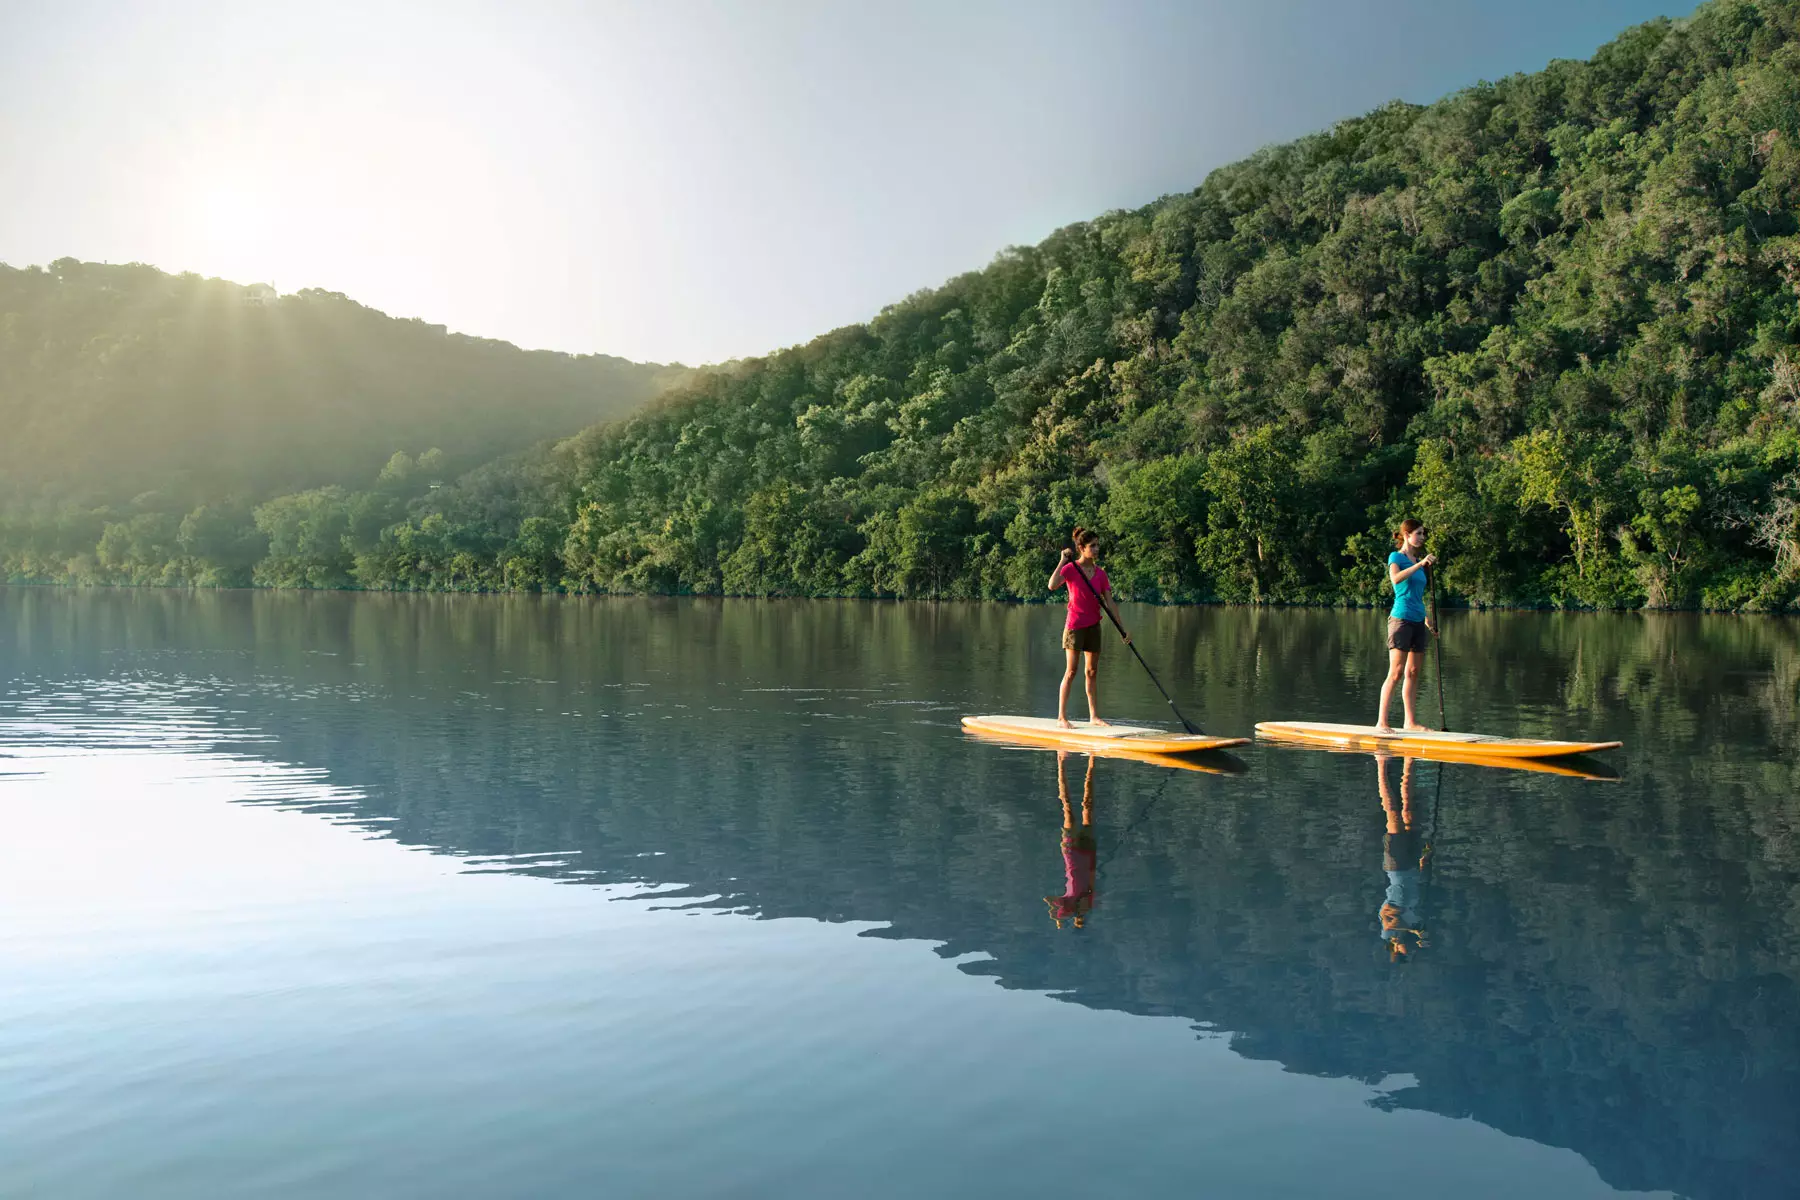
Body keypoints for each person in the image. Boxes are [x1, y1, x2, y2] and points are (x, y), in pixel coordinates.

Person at [1048, 526, 1130, 729]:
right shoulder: (1071, 569)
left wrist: (1122, 628)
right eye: (1092, 546)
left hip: (1094, 626)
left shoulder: (1101, 574)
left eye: (1097, 545)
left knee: (1092, 671)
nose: (1096, 549)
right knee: (1071, 671)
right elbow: (1052, 585)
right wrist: (1062, 560)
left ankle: (1094, 716)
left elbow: (1110, 602)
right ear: (1081, 548)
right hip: (1075, 626)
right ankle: (1061, 718)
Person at [1375, 518, 1437, 733]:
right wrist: (1419, 565)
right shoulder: (1397, 557)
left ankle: (1410, 722)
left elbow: (1417, 596)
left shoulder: (1418, 562)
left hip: (1418, 620)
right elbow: (1396, 579)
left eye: (1423, 534)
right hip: (1400, 619)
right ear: (1407, 535)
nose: (1422, 538)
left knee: (1413, 671)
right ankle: (1382, 722)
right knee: (1397, 672)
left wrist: (1429, 622)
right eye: (1419, 533)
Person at [1375, 754, 1430, 962]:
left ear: (1396, 951)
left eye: (1406, 952)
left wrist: (1413, 932)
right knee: (1409, 809)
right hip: (1414, 864)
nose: (1409, 949)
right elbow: (1419, 888)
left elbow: (1390, 914)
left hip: (1396, 866)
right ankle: (1409, 762)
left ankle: (1381, 766)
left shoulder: (1389, 934)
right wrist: (1426, 859)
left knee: (1393, 814)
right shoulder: (1416, 923)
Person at [1045, 751, 1097, 929]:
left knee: (1067, 806)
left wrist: (1058, 919)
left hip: (1072, 851)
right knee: (1088, 805)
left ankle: (1060, 763)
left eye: (1078, 918)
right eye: (1082, 918)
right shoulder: (1089, 903)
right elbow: (1092, 879)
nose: (1080, 916)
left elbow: (1048, 900)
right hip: (1089, 852)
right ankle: (1092, 761)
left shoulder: (1067, 906)